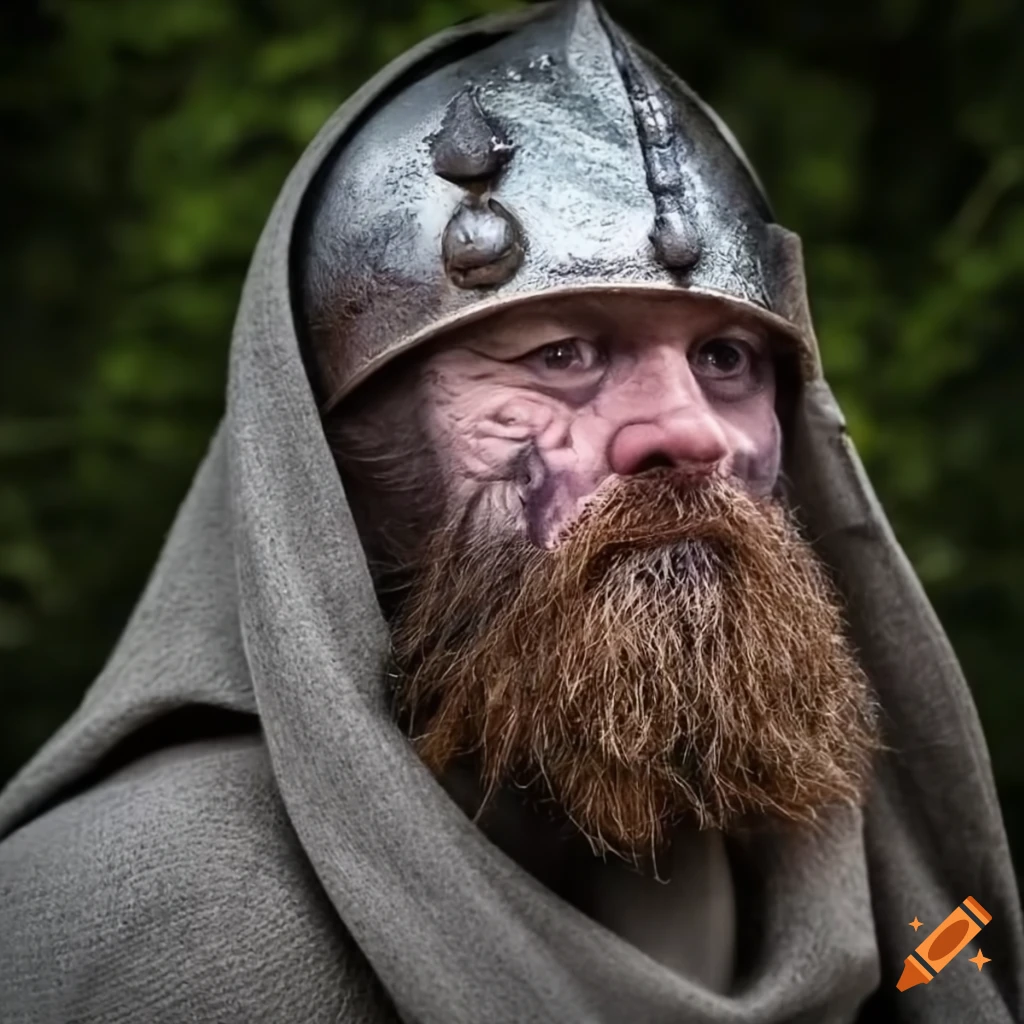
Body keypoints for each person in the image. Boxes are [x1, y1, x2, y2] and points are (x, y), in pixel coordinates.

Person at [1, 2, 1021, 1022]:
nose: (691, 430)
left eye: (726, 359)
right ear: (343, 461)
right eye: (561, 354)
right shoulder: (151, 927)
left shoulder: (888, 903)